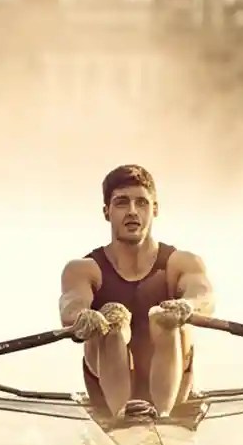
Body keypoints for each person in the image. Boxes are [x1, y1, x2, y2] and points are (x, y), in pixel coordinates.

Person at [58, 164, 215, 423]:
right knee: (113, 317)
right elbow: (70, 306)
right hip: (106, 388)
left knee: (164, 315)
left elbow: (204, 294)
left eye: (141, 202)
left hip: (173, 388)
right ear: (106, 212)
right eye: (121, 203)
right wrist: (81, 318)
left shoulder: (182, 263)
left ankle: (162, 415)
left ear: (155, 209)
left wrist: (188, 306)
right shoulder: (83, 269)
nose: (132, 212)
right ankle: (123, 412)